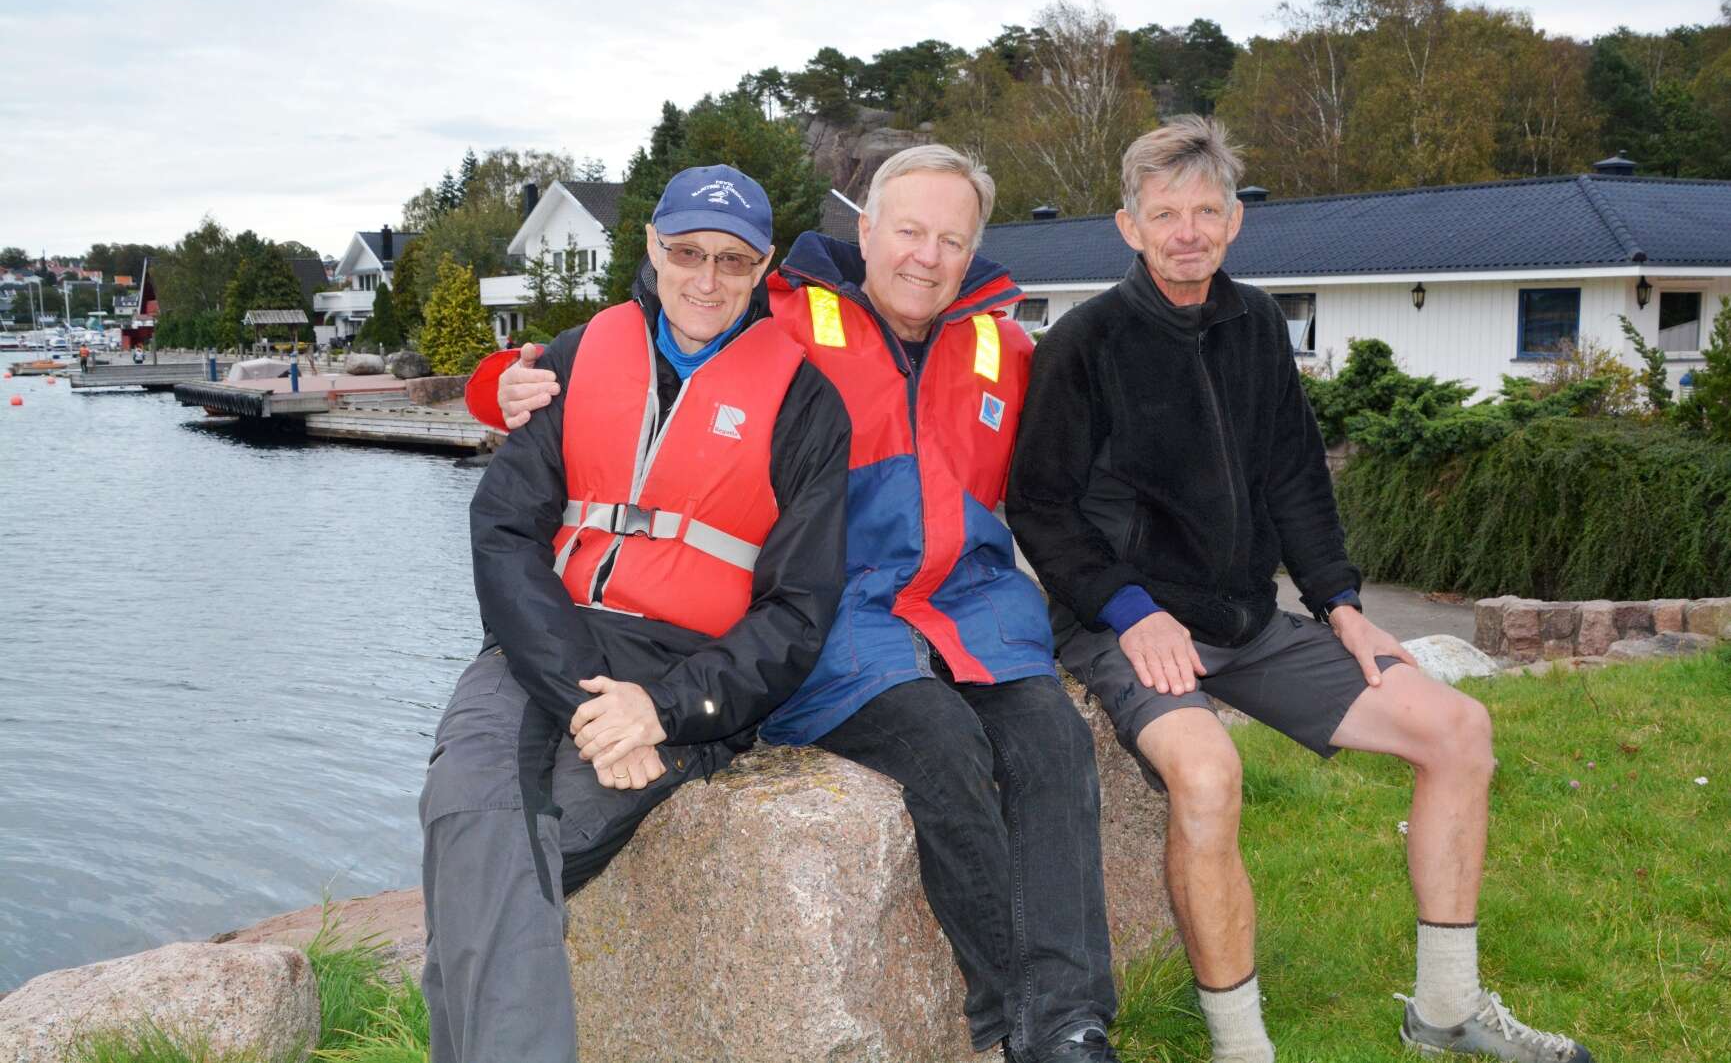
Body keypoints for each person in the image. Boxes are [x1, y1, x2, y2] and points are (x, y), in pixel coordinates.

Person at [486, 146, 1119, 1063]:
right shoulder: (779, 315)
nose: (925, 256)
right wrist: (497, 383)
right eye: (907, 230)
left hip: (972, 611)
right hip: (832, 616)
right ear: (863, 230)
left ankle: (1068, 1026)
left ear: (975, 250)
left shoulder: (1007, 347)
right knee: (942, 746)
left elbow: (1089, 470)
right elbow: (648, 341)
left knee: (1053, 744)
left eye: (951, 239)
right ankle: (1015, 1020)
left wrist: (1135, 606)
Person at [1005, 116, 1592, 1063]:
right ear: (1128, 225)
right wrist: (1128, 609)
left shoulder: (1256, 326)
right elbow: (1037, 505)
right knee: (1207, 772)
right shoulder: (1086, 341)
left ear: (1233, 221)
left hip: (1243, 618)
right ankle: (1244, 1049)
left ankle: (1444, 1011)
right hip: (1122, 622)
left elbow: (1293, 479)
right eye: (1165, 214)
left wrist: (1343, 607)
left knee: (1457, 729)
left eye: (1205, 211)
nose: (1186, 231)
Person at [422, 164, 851, 1062]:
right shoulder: (576, 358)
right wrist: (589, 696)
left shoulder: (806, 404)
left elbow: (797, 612)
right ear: (651, 248)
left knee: (492, 852)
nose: (705, 278)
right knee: (472, 807)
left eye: (731, 262)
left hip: (688, 671)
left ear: (763, 267)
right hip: (542, 647)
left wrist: (661, 711)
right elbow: (503, 529)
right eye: (685, 251)